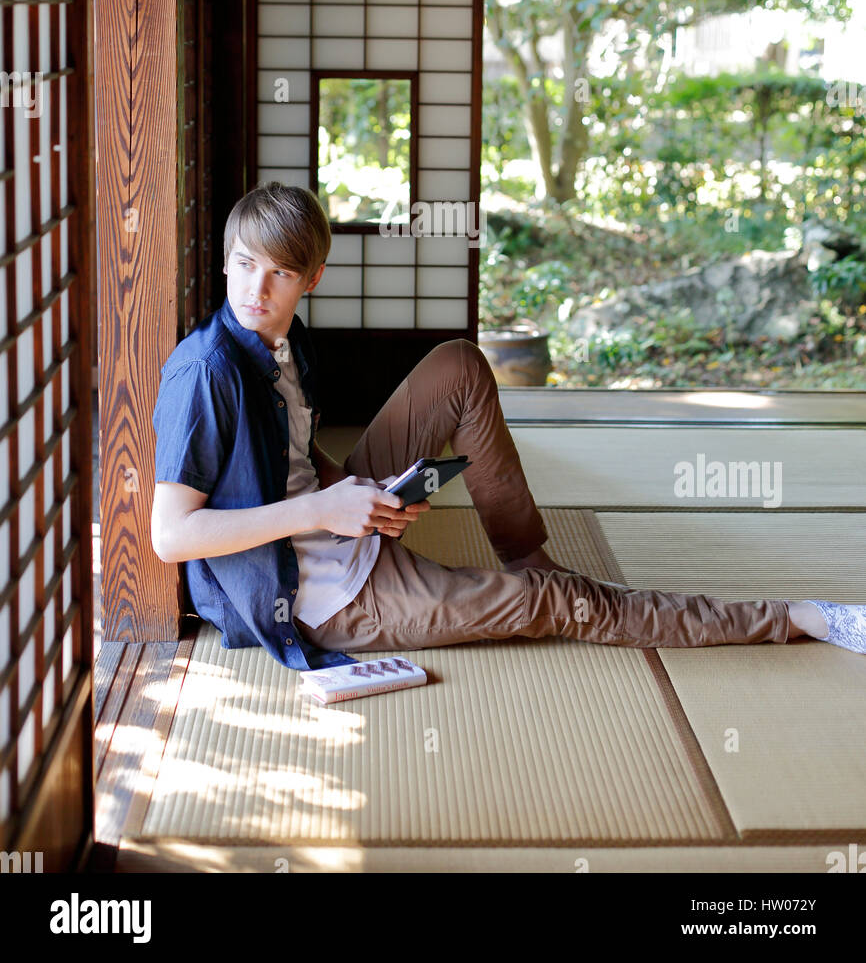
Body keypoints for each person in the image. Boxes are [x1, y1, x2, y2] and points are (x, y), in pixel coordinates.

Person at [151, 182, 866, 669]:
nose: (255, 289)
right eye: (244, 266)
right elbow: (171, 536)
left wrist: (363, 493)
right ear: (225, 260)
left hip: (342, 527)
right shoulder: (206, 373)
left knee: (459, 365)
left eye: (278, 273)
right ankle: (798, 616)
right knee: (562, 605)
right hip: (317, 596)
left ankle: (527, 556)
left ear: (312, 279)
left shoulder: (286, 339)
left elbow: (297, 459)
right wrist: (323, 509)